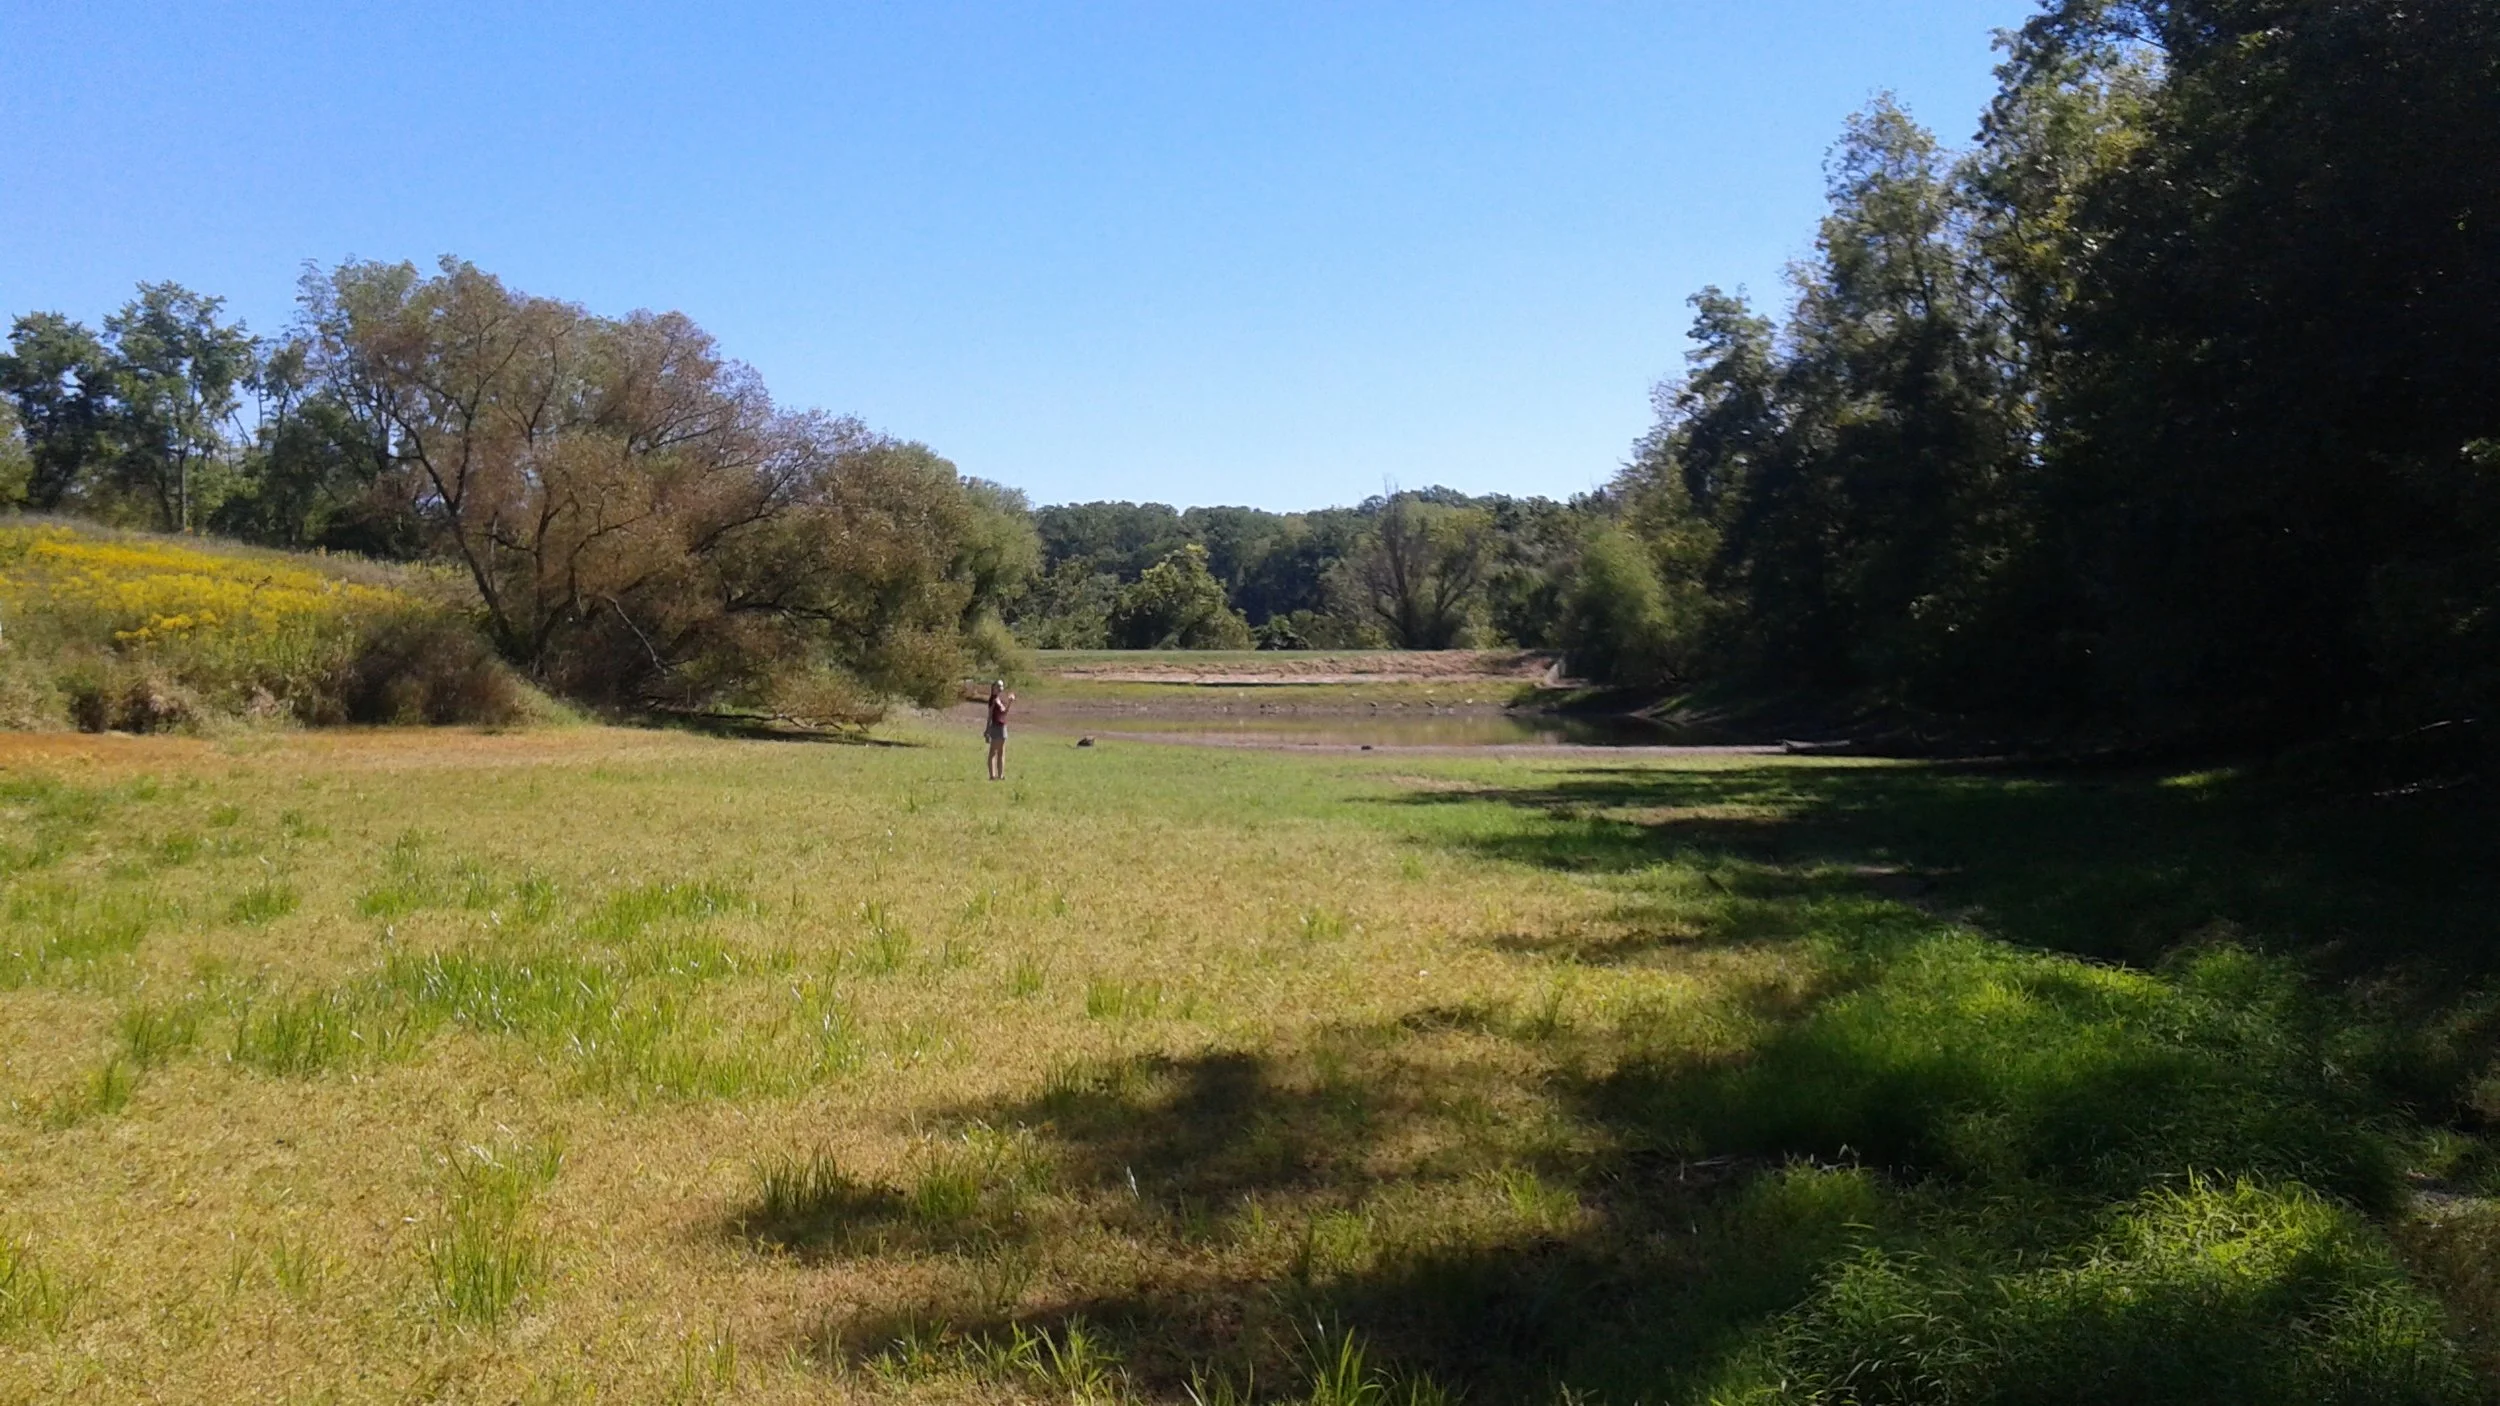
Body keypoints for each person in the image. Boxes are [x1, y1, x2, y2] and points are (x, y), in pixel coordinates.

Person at [984, 680, 1015, 781]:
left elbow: (1004, 712)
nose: (1001, 689)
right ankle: (992, 775)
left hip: (1003, 726)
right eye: (999, 686)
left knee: (1001, 751)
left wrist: (1010, 702)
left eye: (1002, 686)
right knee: (993, 751)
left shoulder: (999, 700)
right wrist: (987, 730)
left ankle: (1001, 775)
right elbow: (989, 716)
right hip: (996, 727)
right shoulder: (993, 700)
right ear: (994, 688)